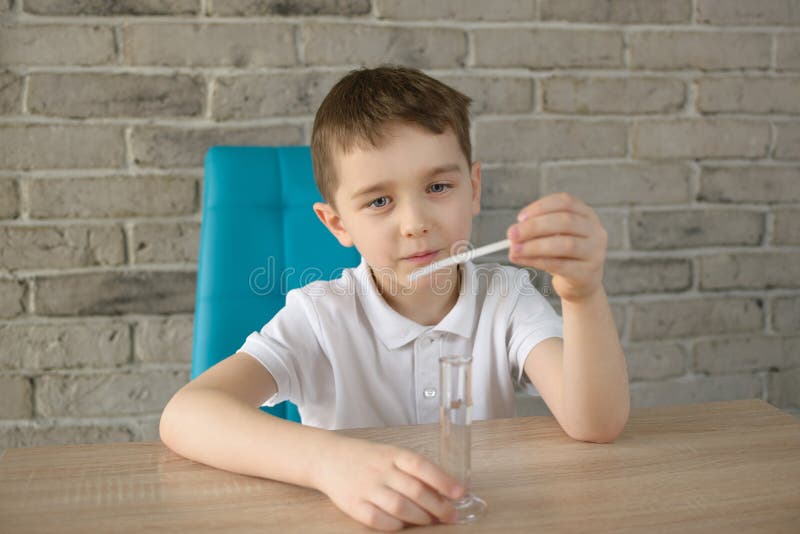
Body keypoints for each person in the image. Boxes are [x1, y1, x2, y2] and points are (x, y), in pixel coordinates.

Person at [160, 65, 630, 531]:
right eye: (379, 201)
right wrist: (328, 463)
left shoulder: (506, 298)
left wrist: (582, 294)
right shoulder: (320, 316)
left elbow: (595, 423)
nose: (415, 222)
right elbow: (187, 414)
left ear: (474, 189)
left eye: (438, 187)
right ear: (337, 224)